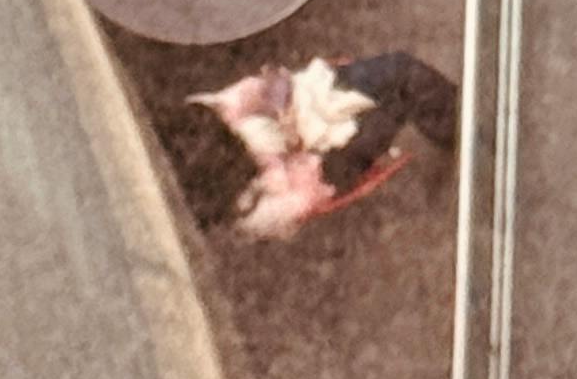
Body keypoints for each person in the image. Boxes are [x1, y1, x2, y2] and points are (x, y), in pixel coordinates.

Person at [190, 49, 462, 241]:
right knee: (399, 96)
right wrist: (296, 157)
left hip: (312, 98)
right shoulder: (253, 206)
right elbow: (308, 196)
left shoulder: (226, 110)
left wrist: (285, 116)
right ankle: (460, 126)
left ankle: (455, 115)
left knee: (400, 69)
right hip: (327, 164)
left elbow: (272, 85)